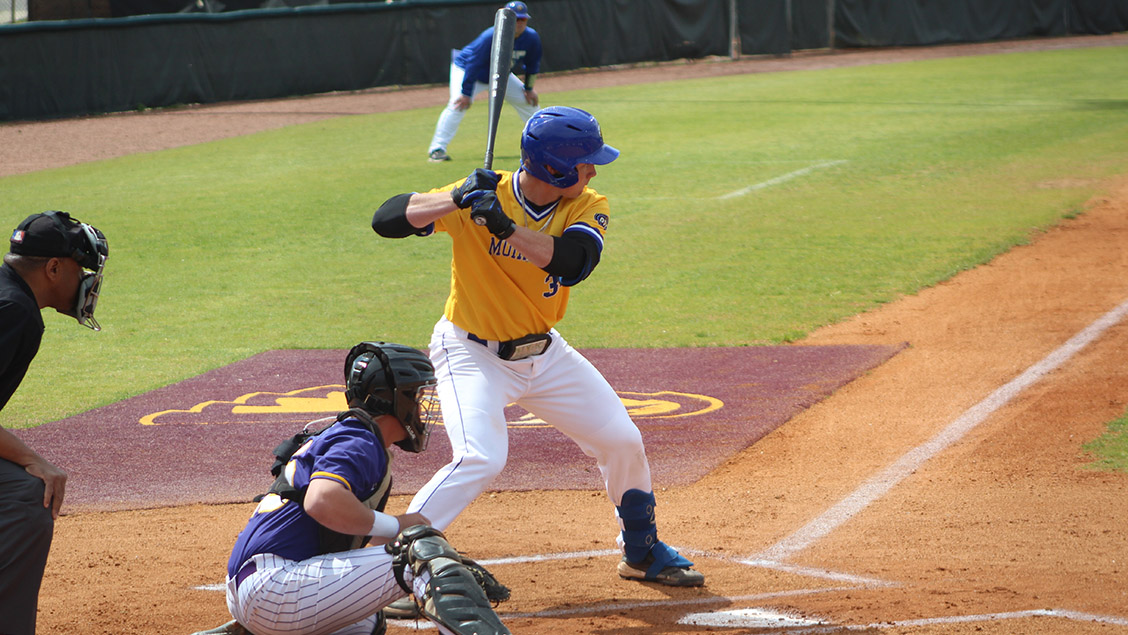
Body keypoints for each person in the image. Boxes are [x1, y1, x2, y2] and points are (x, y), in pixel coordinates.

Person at [372, 106, 706, 610]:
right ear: (555, 168)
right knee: (480, 457)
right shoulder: (481, 193)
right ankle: (390, 571)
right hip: (470, 352)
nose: (593, 171)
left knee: (622, 440)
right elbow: (387, 220)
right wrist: (455, 198)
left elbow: (574, 264)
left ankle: (641, 552)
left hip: (546, 356)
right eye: (586, 162)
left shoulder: (587, 204)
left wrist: (504, 228)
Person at [192, 342, 511, 635]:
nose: (420, 409)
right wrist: (406, 532)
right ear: (393, 399)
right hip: (276, 589)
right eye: (416, 396)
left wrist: (424, 553)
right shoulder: (360, 441)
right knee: (418, 554)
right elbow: (321, 500)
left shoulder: (345, 434)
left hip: (258, 589)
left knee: (367, 621)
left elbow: (347, 531)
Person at [1, 210, 109, 635]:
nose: (87, 281)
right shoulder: (14, 310)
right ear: (53, 268)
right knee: (28, 497)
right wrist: (36, 461)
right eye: (82, 269)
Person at [427, 0, 542, 162]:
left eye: (522, 19)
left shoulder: (531, 37)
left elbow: (533, 64)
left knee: (528, 102)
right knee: (457, 104)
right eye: (515, 19)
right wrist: (466, 93)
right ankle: (437, 149)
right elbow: (474, 64)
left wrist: (529, 88)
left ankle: (545, 143)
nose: (519, 23)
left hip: (500, 73)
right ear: (506, 19)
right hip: (467, 70)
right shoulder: (491, 35)